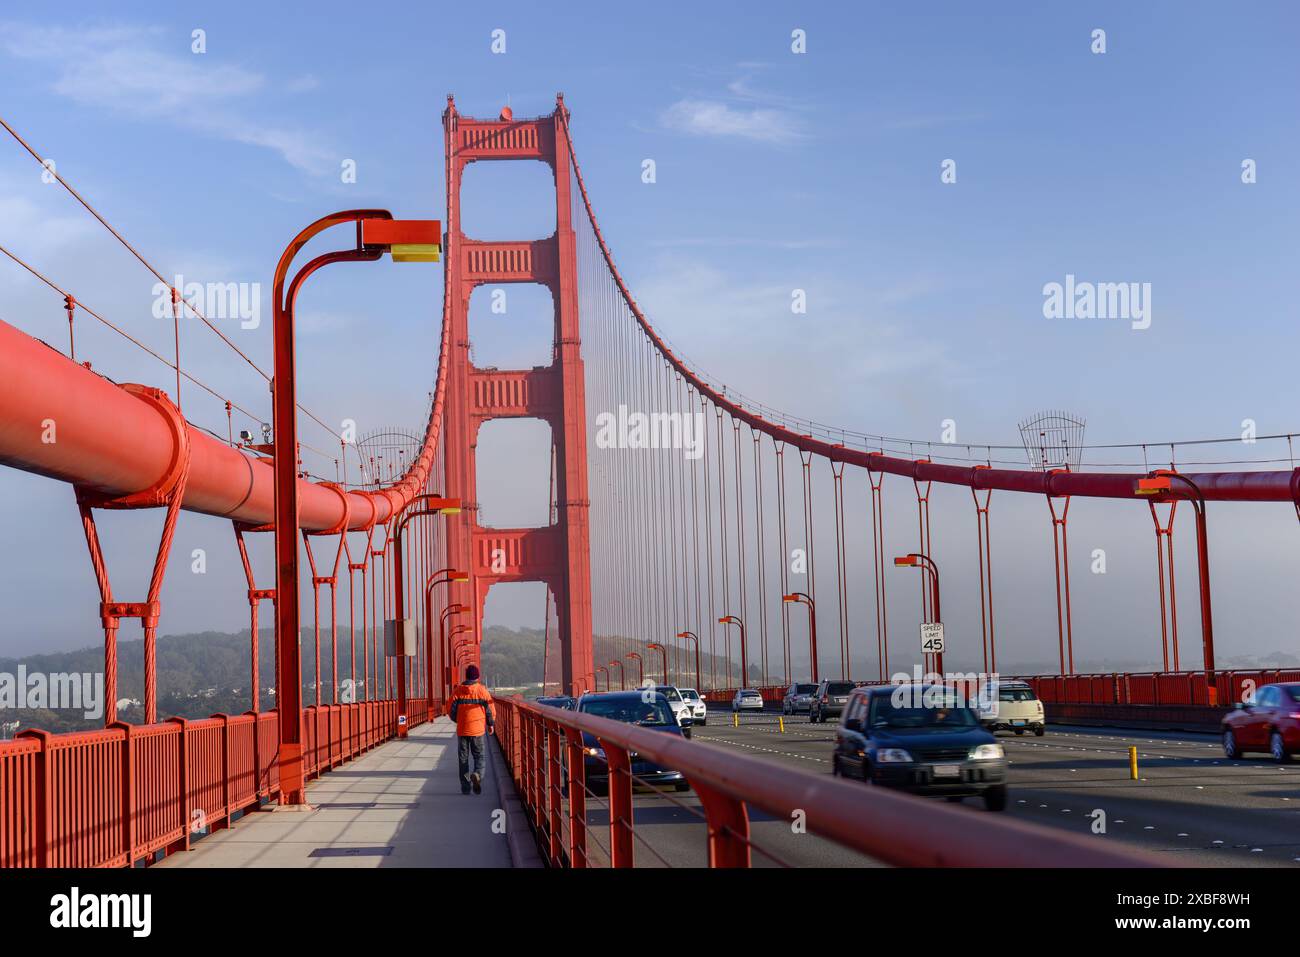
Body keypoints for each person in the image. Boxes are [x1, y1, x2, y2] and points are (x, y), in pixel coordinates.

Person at [448, 664, 496, 795]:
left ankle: (465, 788)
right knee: (479, 756)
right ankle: (478, 775)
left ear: (466, 676)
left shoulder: (458, 691)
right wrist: (490, 724)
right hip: (478, 730)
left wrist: (457, 720)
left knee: (463, 760)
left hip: (462, 730)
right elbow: (490, 709)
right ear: (478, 676)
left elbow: (450, 708)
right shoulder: (482, 691)